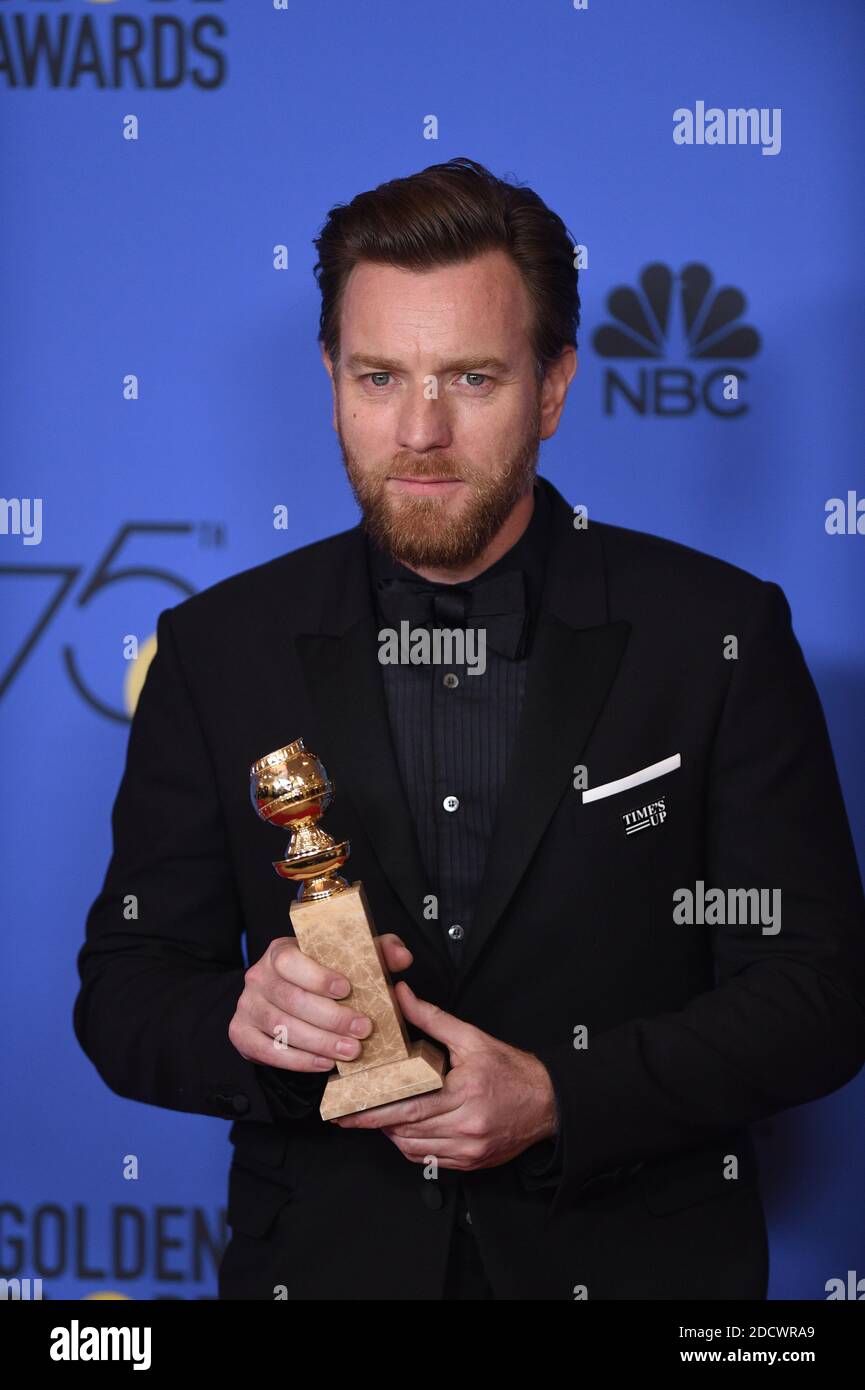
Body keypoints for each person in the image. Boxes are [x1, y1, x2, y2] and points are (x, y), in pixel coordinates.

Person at [74, 157, 865, 1300]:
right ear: (331, 378)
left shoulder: (717, 633)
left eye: (473, 378)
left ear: (552, 387)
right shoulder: (217, 649)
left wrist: (562, 1094)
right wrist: (253, 1027)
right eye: (378, 376)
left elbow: (819, 993)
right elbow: (128, 989)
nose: (420, 430)